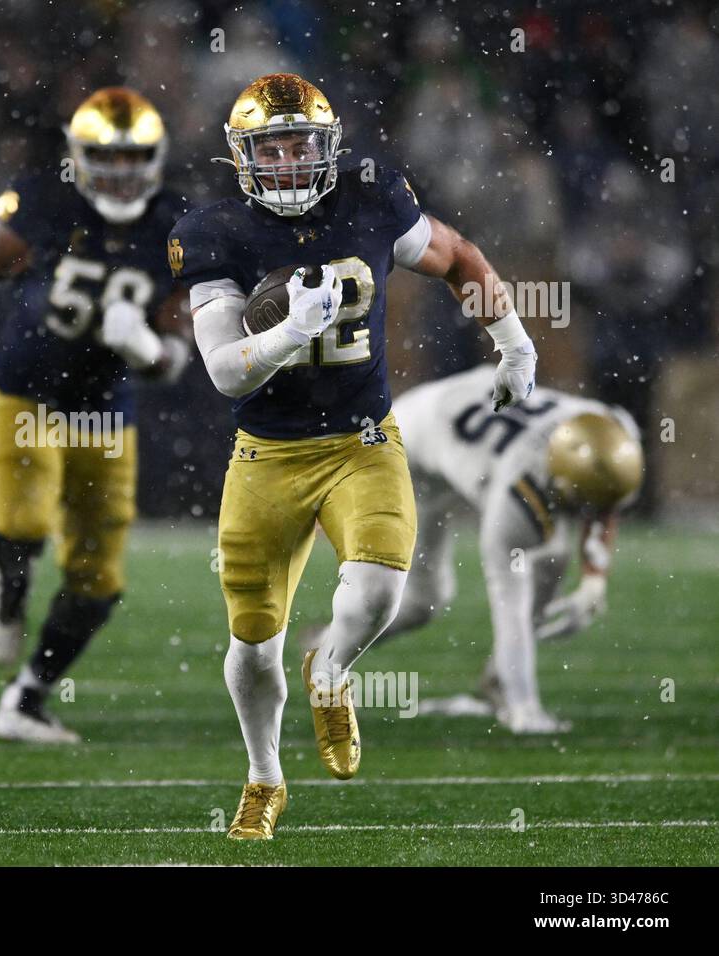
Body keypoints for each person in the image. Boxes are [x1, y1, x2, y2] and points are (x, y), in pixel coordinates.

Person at [168, 73, 539, 839]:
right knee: (253, 643)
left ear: (330, 145)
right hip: (266, 452)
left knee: (377, 594)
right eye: (274, 146)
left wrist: (514, 344)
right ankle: (264, 778)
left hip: (362, 439)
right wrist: (288, 334)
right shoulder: (213, 232)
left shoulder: (372, 194)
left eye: (306, 142)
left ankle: (332, 669)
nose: (293, 159)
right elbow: (224, 368)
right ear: (244, 156)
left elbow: (459, 256)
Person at [0, 87, 193, 743]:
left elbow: (178, 353)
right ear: (78, 157)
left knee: (98, 576)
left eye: (134, 157)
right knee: (22, 522)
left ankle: (27, 698)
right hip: (26, 393)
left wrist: (145, 347)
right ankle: (9, 580)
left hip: (106, 412)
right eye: (104, 158)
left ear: (157, 156)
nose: (119, 173)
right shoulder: (47, 205)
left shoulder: (175, 226)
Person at [379, 365, 644, 733]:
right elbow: (510, 609)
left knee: (552, 557)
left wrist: (594, 578)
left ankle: (498, 682)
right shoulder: (516, 495)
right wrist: (526, 711)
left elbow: (604, 499)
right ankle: (327, 647)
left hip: (471, 403)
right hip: (409, 448)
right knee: (423, 602)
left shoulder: (608, 432)